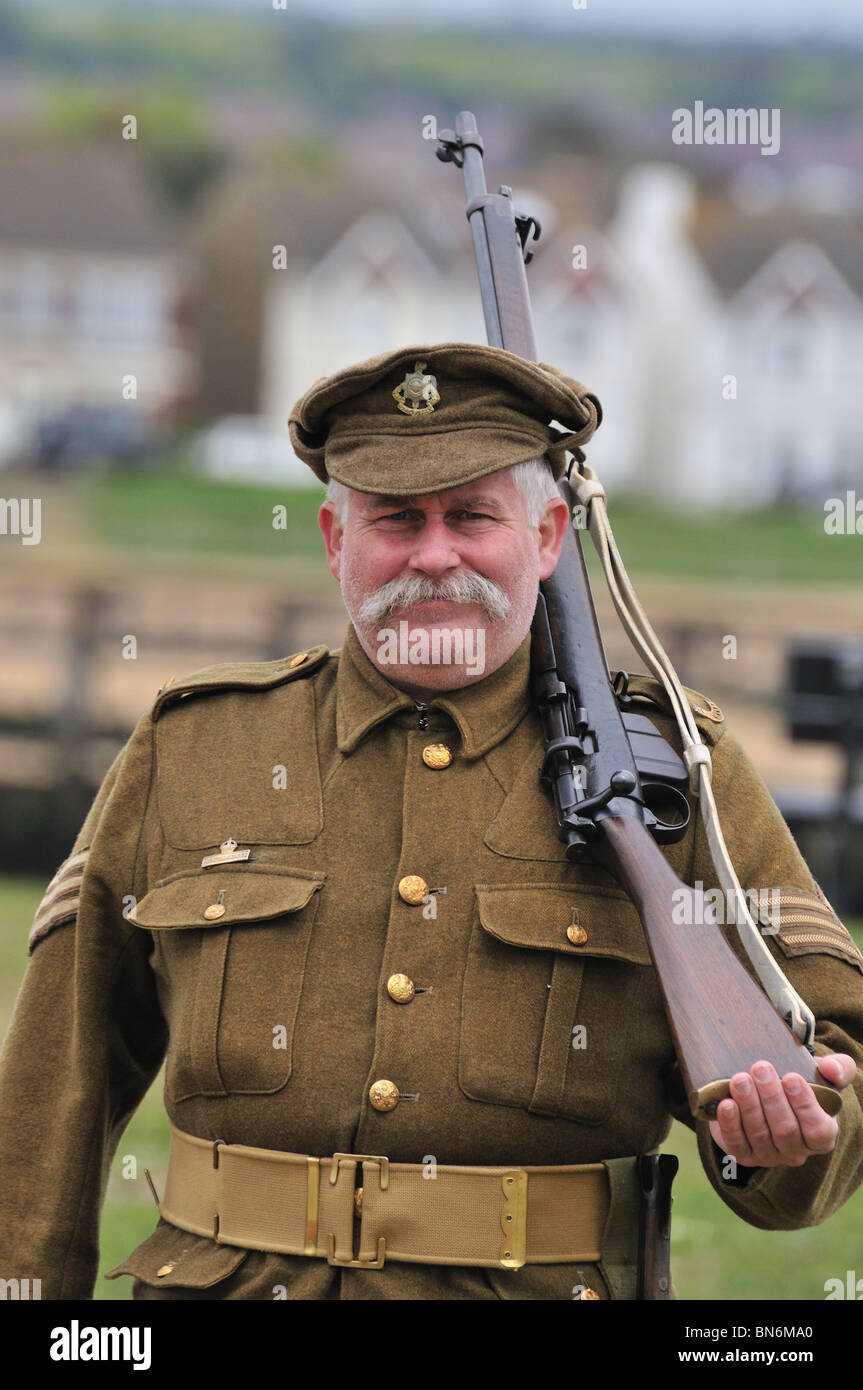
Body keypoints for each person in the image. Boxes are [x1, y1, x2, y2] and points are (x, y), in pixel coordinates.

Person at [1, 342, 861, 1302]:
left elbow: (830, 1073)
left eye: (470, 516)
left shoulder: (672, 772)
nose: (434, 553)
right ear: (335, 540)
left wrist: (785, 1139)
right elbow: (53, 1090)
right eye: (396, 520)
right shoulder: (194, 746)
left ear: (544, 537)